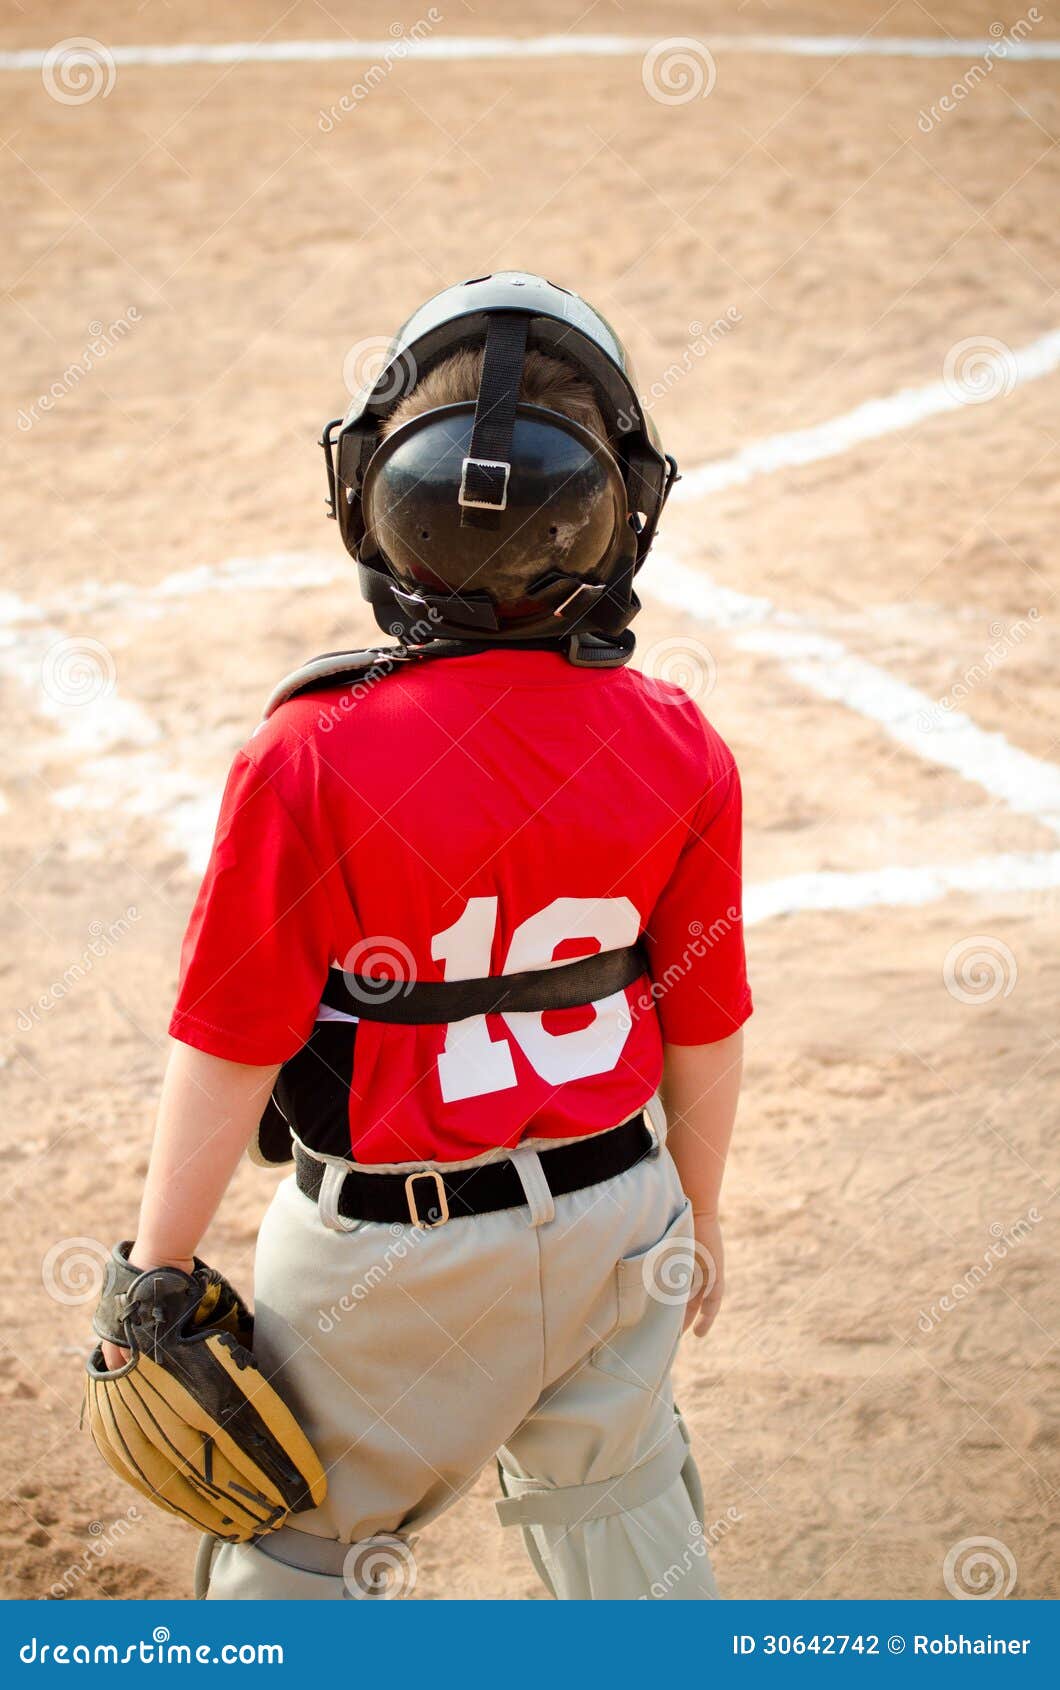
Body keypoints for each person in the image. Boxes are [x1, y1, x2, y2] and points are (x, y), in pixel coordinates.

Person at [100, 272, 751, 1600]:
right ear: (620, 518)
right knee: (624, 1520)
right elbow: (705, 1018)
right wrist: (704, 1210)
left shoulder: (309, 754)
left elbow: (231, 1042)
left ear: (376, 508)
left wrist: (156, 1268)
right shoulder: (680, 740)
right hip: (623, 1212)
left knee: (298, 1549)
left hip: (390, 1259)